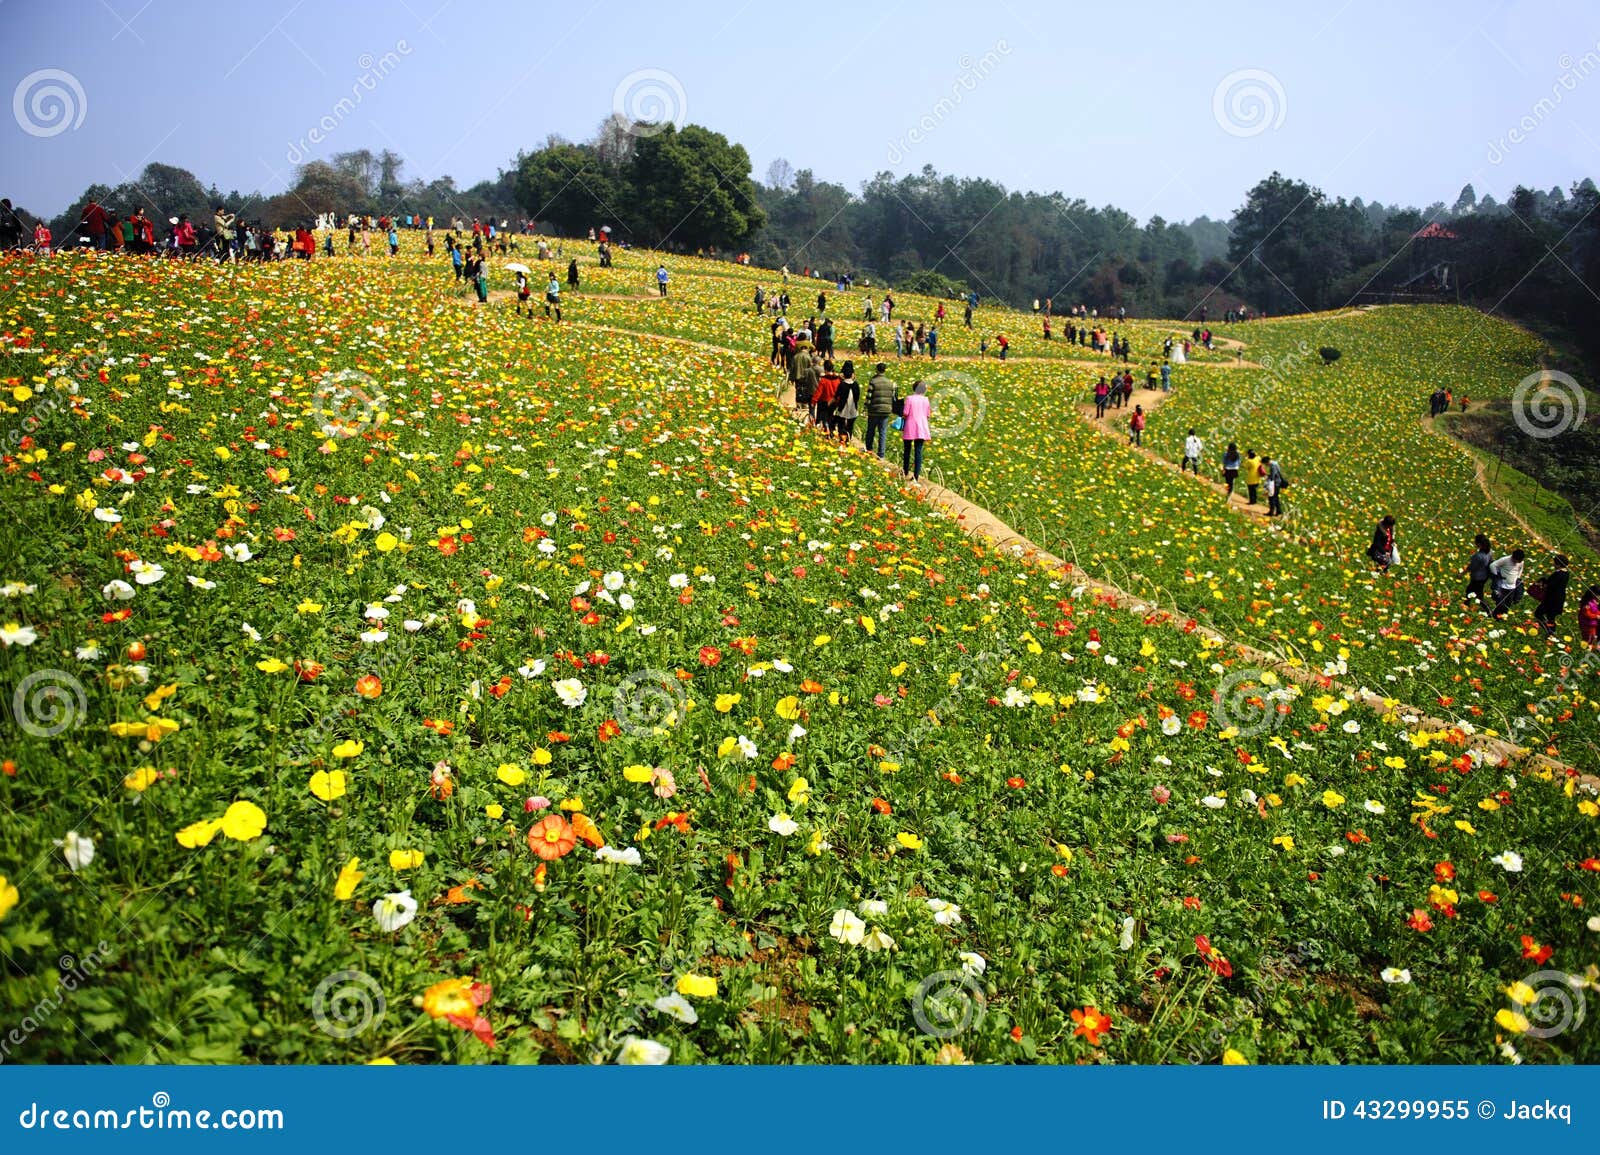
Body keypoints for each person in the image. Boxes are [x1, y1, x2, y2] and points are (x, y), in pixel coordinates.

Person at [901, 380, 931, 481]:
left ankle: (905, 471)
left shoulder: (909, 398)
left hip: (910, 426)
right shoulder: (926, 400)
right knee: (918, 452)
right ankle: (916, 476)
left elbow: (905, 413)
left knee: (907, 450)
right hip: (921, 427)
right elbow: (928, 415)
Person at [1532, 555, 1570, 636]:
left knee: (1539, 613)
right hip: (1558, 599)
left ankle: (1549, 630)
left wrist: (1543, 581)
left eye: (1555, 563)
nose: (1553, 565)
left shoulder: (1559, 574)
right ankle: (1551, 631)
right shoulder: (1566, 573)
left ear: (1559, 565)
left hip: (1552, 600)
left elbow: (1551, 585)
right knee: (1550, 617)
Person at [866, 363, 897, 458]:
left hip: (874, 410)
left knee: (871, 430)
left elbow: (869, 397)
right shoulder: (890, 383)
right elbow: (893, 398)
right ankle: (881, 454)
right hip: (886, 411)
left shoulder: (873, 381)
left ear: (877, 370)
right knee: (882, 432)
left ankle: (869, 449)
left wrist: (865, 408)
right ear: (885, 370)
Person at [1490, 549, 1526, 618]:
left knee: (1508, 603)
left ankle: (1503, 616)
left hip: (1512, 586)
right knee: (1500, 603)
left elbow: (1520, 569)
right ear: (1513, 557)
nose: (1517, 563)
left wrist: (1518, 577)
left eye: (1519, 561)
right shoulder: (1505, 560)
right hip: (1502, 585)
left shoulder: (1521, 562)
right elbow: (1492, 565)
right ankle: (1495, 616)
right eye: (1516, 561)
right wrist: (1496, 575)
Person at [1463, 534, 1494, 611]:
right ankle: (1466, 605)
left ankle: (1489, 611)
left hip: (1477, 578)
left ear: (1479, 544)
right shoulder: (1489, 551)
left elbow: (1471, 567)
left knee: (1479, 596)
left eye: (1475, 542)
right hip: (1484, 576)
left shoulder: (1478, 556)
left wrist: (1462, 573)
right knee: (1469, 590)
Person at [835, 361, 860, 441]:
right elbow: (857, 397)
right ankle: (848, 439)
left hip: (843, 408)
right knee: (850, 425)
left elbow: (837, 396)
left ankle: (842, 439)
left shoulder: (842, 384)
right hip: (853, 408)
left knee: (841, 424)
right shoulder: (855, 384)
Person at [814, 359, 841, 432]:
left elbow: (819, 392)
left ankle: (825, 431)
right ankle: (831, 431)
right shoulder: (837, 380)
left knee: (823, 417)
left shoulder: (824, 380)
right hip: (834, 402)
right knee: (830, 416)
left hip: (824, 402)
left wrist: (814, 401)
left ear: (825, 369)